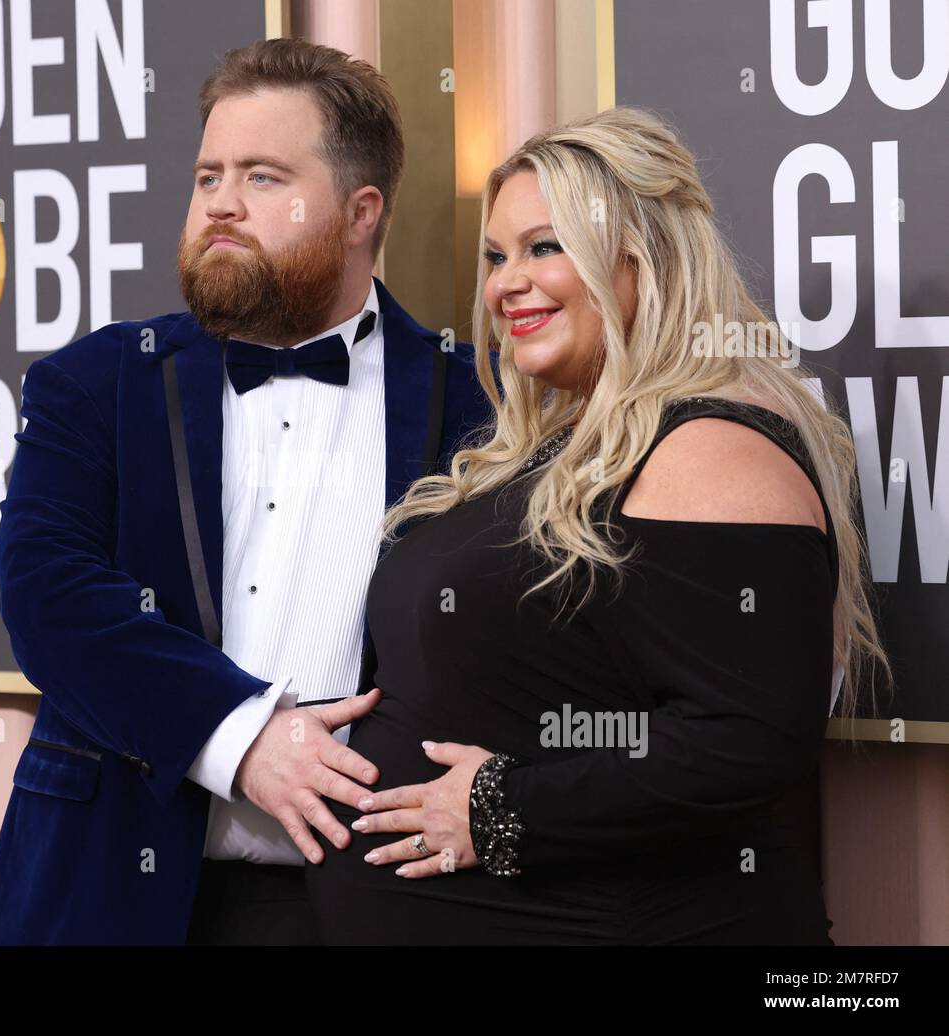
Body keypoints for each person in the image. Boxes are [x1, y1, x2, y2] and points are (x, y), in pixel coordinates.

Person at [305, 106, 893, 945]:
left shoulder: (710, 443)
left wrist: (503, 808)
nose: (507, 282)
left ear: (643, 257)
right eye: (496, 256)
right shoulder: (558, 448)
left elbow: (752, 741)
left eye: (546, 247)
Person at [0, 37, 491, 945]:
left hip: (375, 908)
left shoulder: (476, 403)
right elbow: (47, 598)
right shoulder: (94, 383)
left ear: (360, 210)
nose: (219, 204)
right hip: (109, 890)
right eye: (208, 175)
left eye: (259, 177)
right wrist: (241, 737)